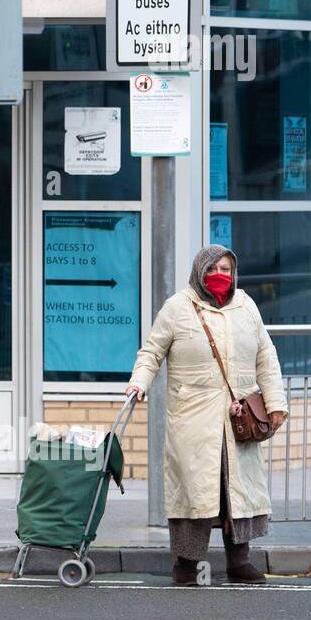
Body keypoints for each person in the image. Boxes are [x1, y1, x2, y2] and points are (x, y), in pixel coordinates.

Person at [125, 245, 288, 585]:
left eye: (227, 270)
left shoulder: (247, 307)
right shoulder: (177, 307)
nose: (221, 276)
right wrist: (139, 383)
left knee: (235, 491)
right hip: (193, 420)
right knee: (195, 492)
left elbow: (266, 357)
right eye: (214, 269)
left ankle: (239, 562)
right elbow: (153, 351)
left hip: (237, 417)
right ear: (199, 271)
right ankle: (186, 565)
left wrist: (275, 403)